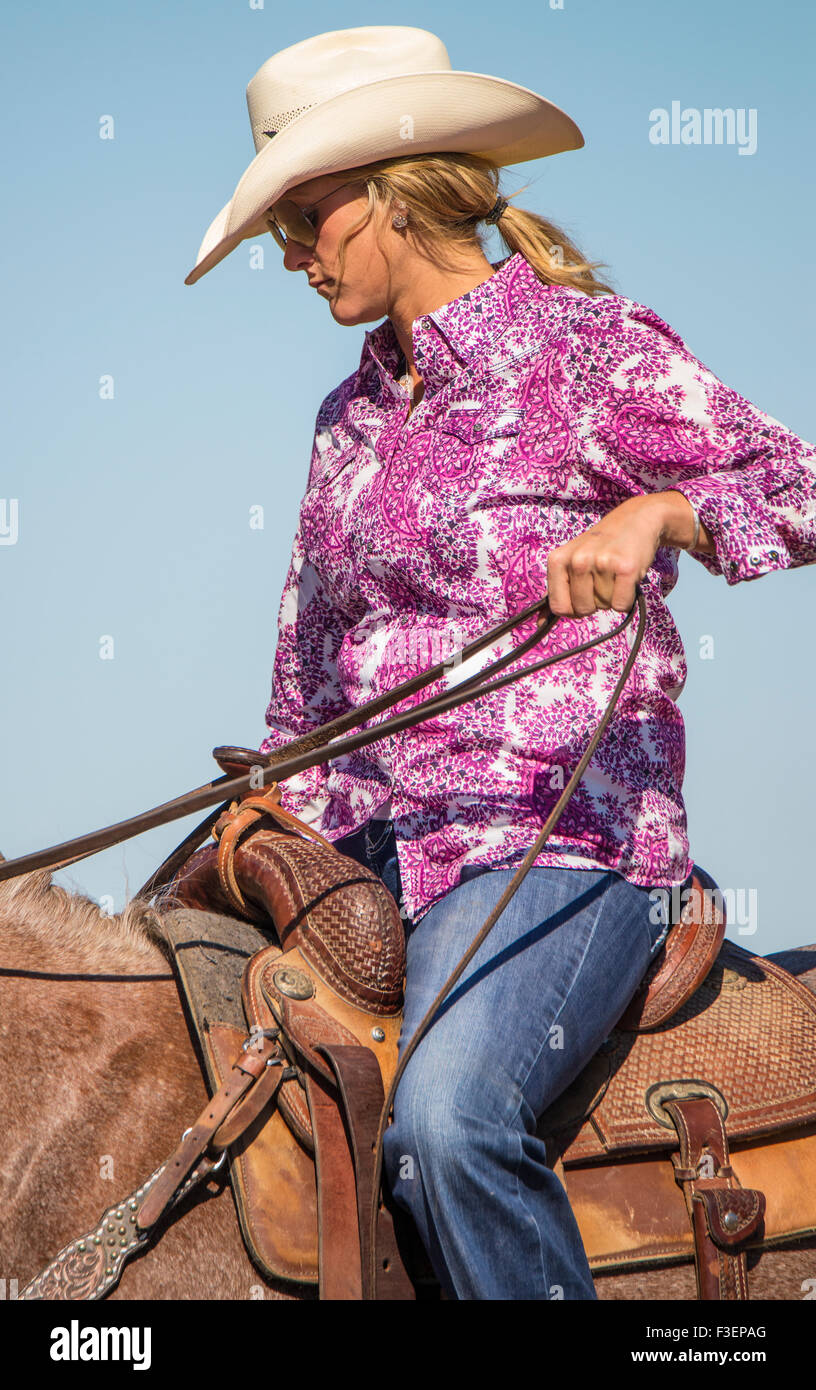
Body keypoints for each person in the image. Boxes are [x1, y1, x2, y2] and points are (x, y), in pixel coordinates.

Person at [184, 27, 816, 1299]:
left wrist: (662, 516)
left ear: (398, 186)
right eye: (282, 237)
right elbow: (308, 668)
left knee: (450, 1127)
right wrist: (262, 815)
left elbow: (796, 485)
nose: (296, 260)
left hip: (561, 845)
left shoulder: (589, 352)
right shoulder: (346, 417)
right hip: (363, 852)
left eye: (308, 221)